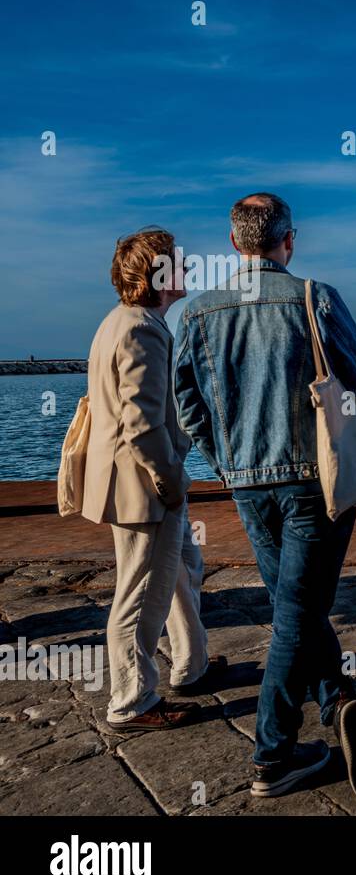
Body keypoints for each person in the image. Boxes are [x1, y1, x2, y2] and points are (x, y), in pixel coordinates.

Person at [173, 193, 356, 799]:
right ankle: (272, 756)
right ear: (288, 240)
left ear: (234, 244)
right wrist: (355, 451)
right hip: (312, 481)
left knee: (295, 603)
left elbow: (189, 406)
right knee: (297, 610)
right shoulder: (315, 298)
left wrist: (224, 461)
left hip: (246, 482)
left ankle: (336, 698)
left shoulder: (195, 313)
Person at [83, 227, 222, 733]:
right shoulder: (142, 329)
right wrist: (170, 482)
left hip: (128, 482)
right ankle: (130, 701)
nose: (186, 268)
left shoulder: (119, 322)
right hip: (143, 489)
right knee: (141, 594)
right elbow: (141, 424)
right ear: (157, 273)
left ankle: (191, 663)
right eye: (179, 262)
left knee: (184, 570)